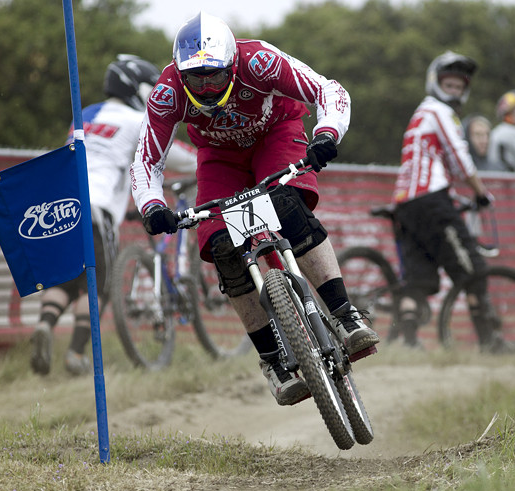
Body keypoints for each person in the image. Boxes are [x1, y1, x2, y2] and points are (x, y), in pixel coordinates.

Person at [129, 11, 379, 406]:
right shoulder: (167, 92)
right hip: (219, 156)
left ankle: (346, 315)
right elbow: (146, 162)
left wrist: (328, 133)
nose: (206, 86)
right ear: (181, 73)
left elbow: (329, 91)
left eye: (214, 74)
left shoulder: (259, 60)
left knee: (287, 204)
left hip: (275, 135)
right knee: (219, 244)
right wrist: (153, 206)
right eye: (196, 76)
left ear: (231, 65)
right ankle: (273, 361)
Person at [29, 55, 196, 376]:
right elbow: (179, 158)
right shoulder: (137, 120)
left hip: (59, 206)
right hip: (98, 205)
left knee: (67, 277)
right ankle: (76, 354)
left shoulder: (85, 115)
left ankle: (45, 324)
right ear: (137, 88)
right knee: (95, 287)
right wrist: (210, 160)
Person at [391, 50, 510, 353]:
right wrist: (481, 192)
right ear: (436, 83)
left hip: (405, 203)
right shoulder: (440, 112)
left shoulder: (421, 112)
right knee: (472, 268)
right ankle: (489, 342)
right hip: (430, 201)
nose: (455, 91)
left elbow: (437, 164)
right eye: (450, 85)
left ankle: (407, 343)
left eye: (459, 86)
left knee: (420, 279)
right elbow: (460, 158)